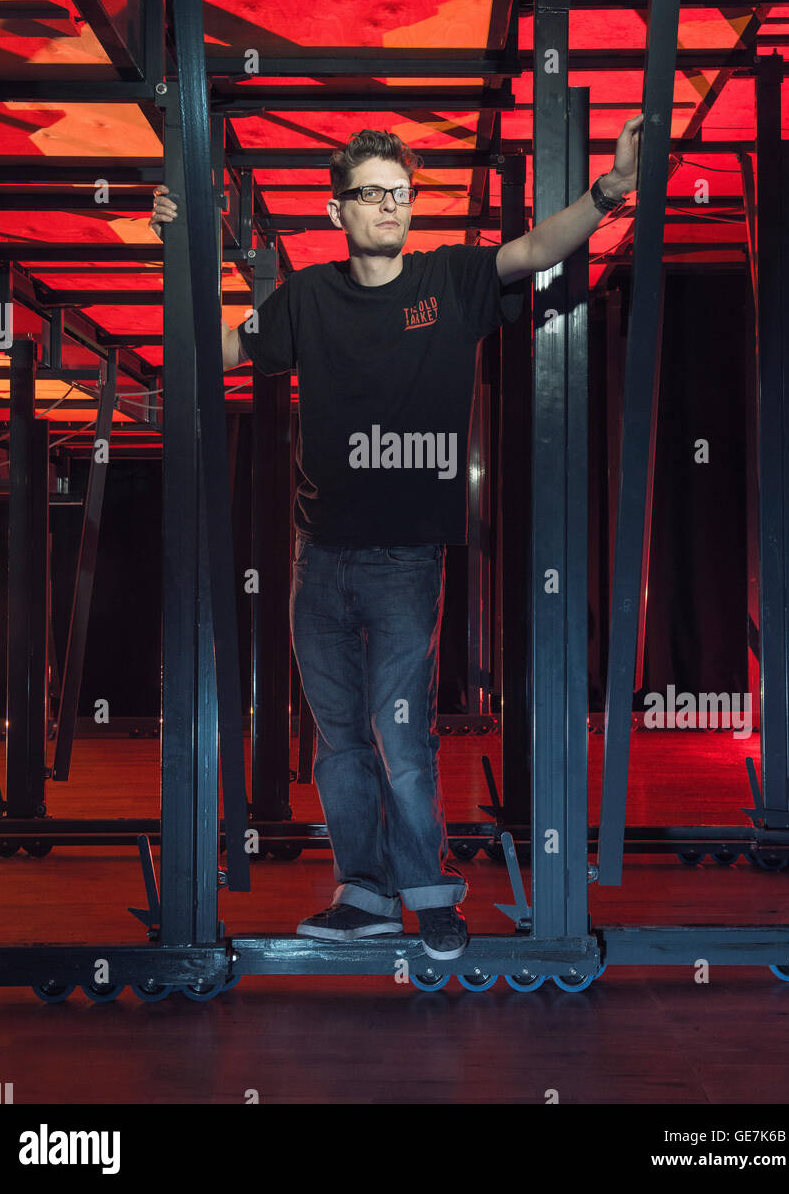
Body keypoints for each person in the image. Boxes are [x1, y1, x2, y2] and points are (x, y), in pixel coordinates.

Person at [150, 120, 641, 961]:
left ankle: (428, 893)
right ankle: (364, 893)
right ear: (337, 207)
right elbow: (206, 351)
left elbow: (529, 252)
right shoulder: (306, 297)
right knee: (338, 739)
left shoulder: (445, 279)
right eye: (372, 193)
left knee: (399, 732)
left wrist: (608, 190)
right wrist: (178, 250)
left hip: (404, 558)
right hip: (319, 556)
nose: (390, 207)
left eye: (401, 194)